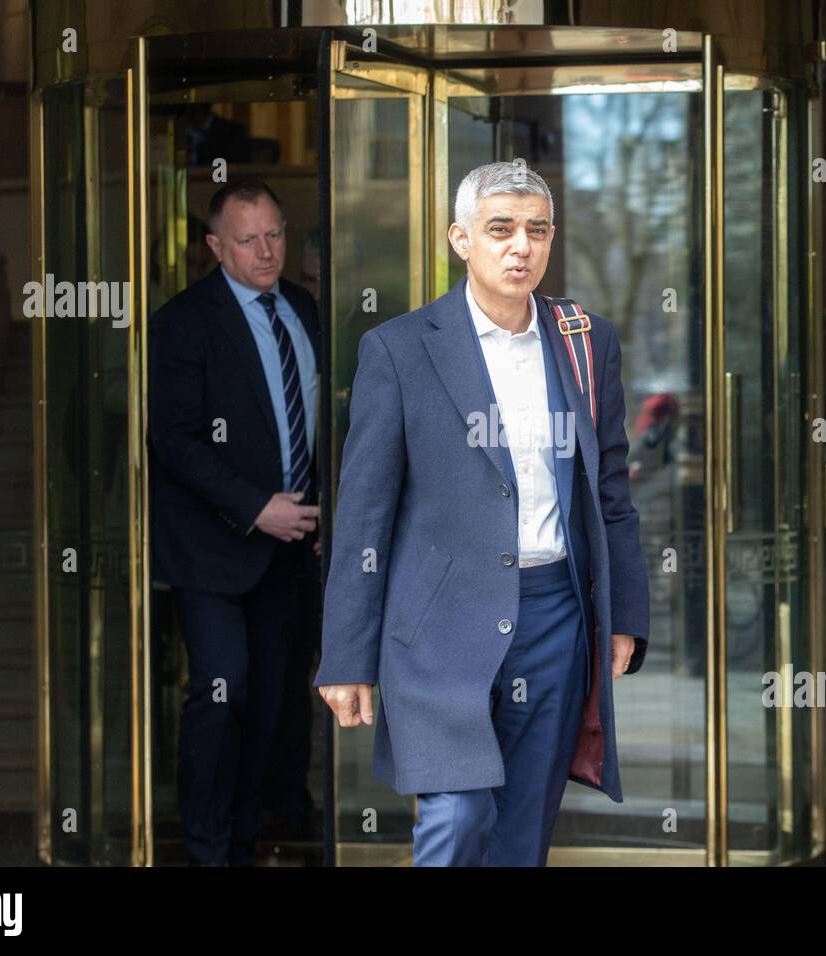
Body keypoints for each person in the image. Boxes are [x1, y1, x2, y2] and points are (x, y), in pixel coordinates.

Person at [314, 160, 649, 866]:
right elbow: (364, 516)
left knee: (522, 831)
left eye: (536, 230)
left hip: (553, 615)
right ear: (460, 239)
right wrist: (346, 655)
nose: (520, 246)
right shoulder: (399, 350)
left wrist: (625, 617)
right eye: (500, 229)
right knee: (457, 817)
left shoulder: (588, 344)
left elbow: (610, 492)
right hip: (437, 625)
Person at [148, 179, 322, 865]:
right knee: (221, 693)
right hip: (213, 552)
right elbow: (175, 438)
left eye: (274, 233)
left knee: (274, 706)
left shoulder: (304, 309)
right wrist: (255, 508)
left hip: (292, 552)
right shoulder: (184, 322)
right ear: (216, 247)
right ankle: (207, 846)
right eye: (248, 240)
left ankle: (248, 837)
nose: (266, 250)